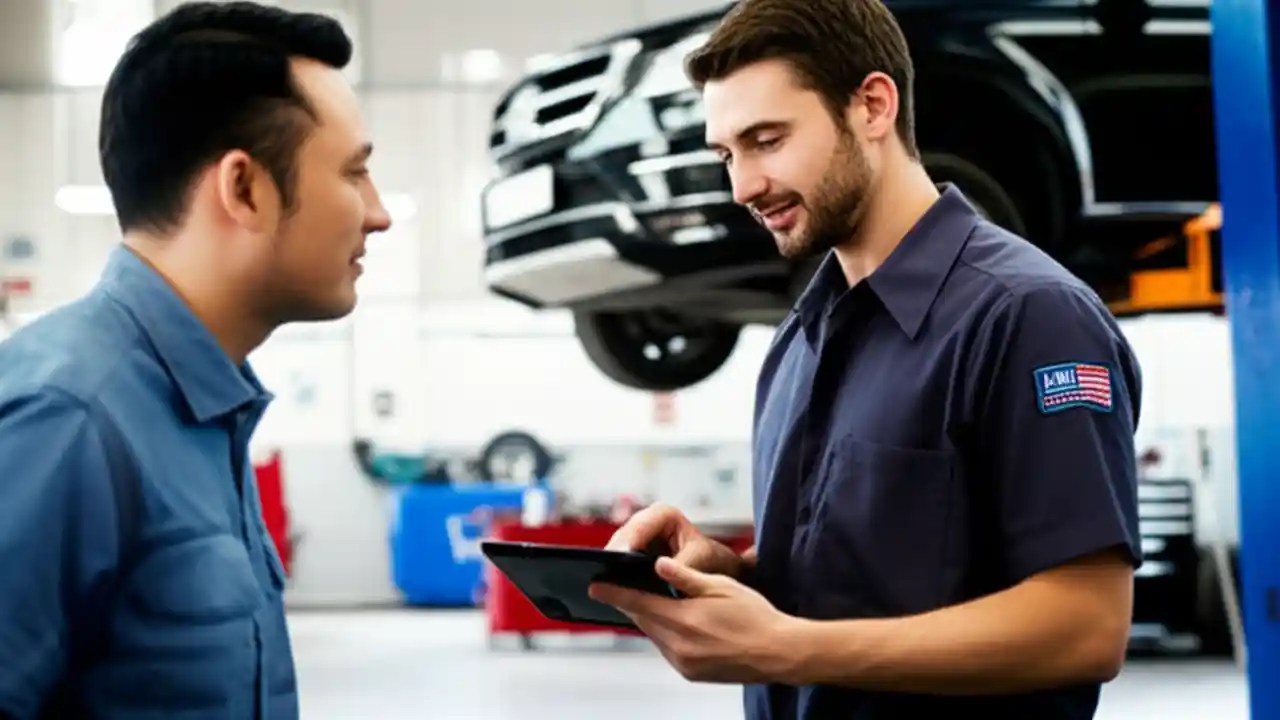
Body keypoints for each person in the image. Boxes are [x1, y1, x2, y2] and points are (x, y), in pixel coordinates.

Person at [590, 0, 1144, 718]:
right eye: (727, 153)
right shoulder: (802, 336)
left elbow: (1084, 627)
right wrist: (735, 573)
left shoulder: (1029, 317)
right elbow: (882, 562)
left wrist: (784, 648)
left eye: (766, 140)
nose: (743, 187)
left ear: (873, 107)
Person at [0, 2, 390, 717]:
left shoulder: (205, 409)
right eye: (354, 174)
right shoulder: (68, 419)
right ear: (244, 188)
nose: (379, 211)